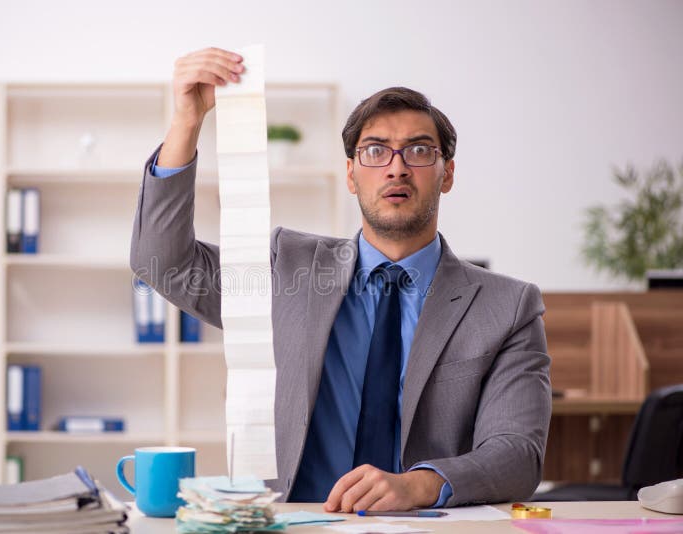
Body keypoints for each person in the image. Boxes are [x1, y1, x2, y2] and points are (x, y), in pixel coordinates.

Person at [130, 47, 552, 512]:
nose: (396, 167)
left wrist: (420, 484)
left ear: (446, 173)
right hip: (296, 520)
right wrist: (187, 121)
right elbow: (161, 262)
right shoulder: (286, 267)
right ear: (351, 174)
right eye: (375, 151)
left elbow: (517, 454)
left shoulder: (507, 307)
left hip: (427, 523)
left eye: (418, 150)